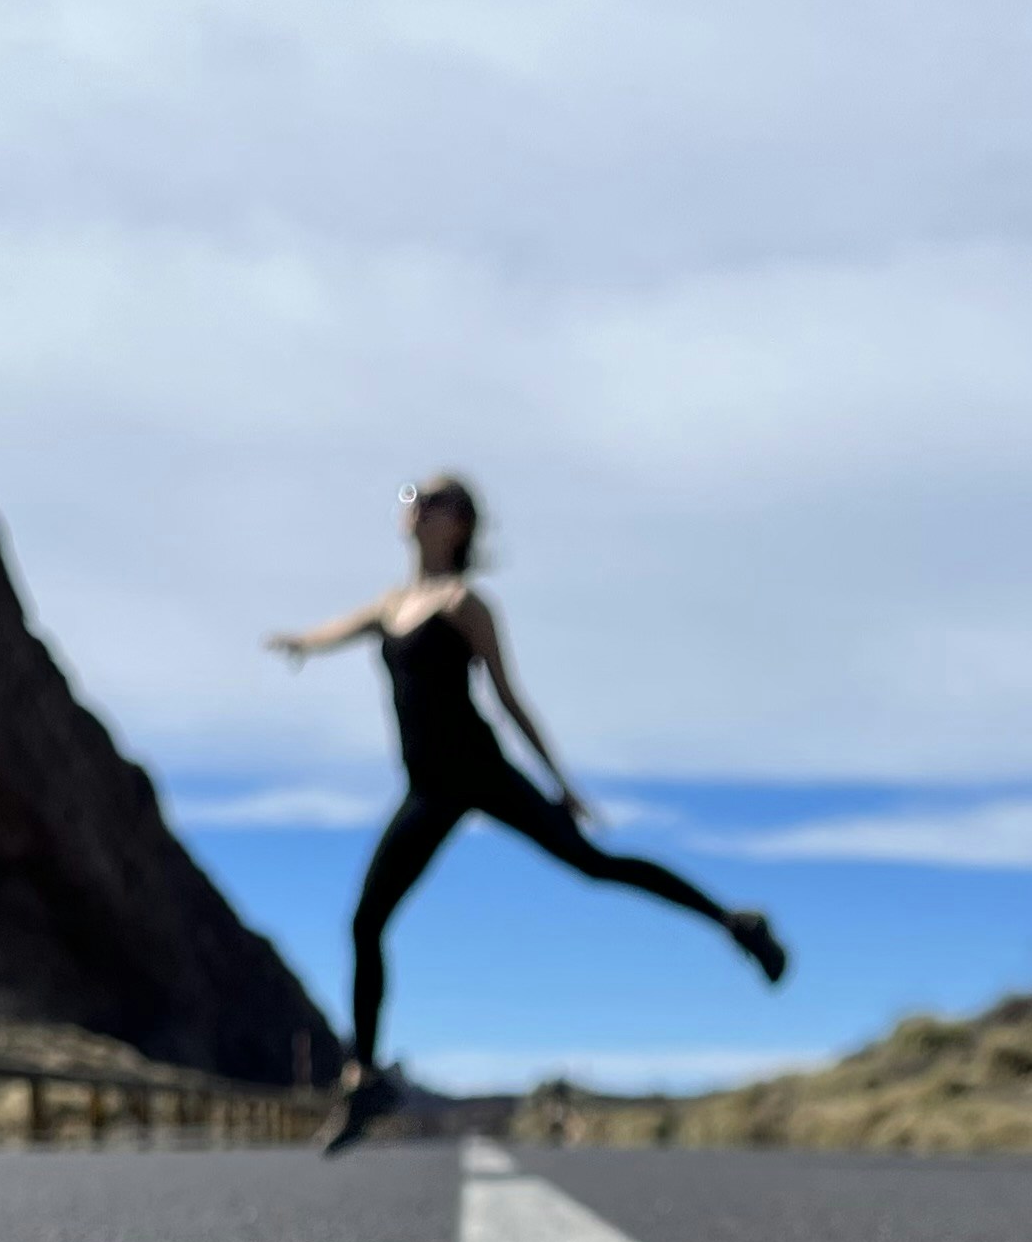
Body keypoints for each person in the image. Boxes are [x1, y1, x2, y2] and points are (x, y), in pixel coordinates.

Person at [268, 475, 788, 1153]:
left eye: (434, 500)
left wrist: (558, 781)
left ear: (458, 525)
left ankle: (735, 922)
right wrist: (301, 644)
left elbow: (509, 696)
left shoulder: (464, 604)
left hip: (482, 772)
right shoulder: (390, 605)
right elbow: (332, 630)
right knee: (366, 921)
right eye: (414, 497)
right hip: (427, 789)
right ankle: (364, 1076)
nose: (417, 506)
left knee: (593, 866)